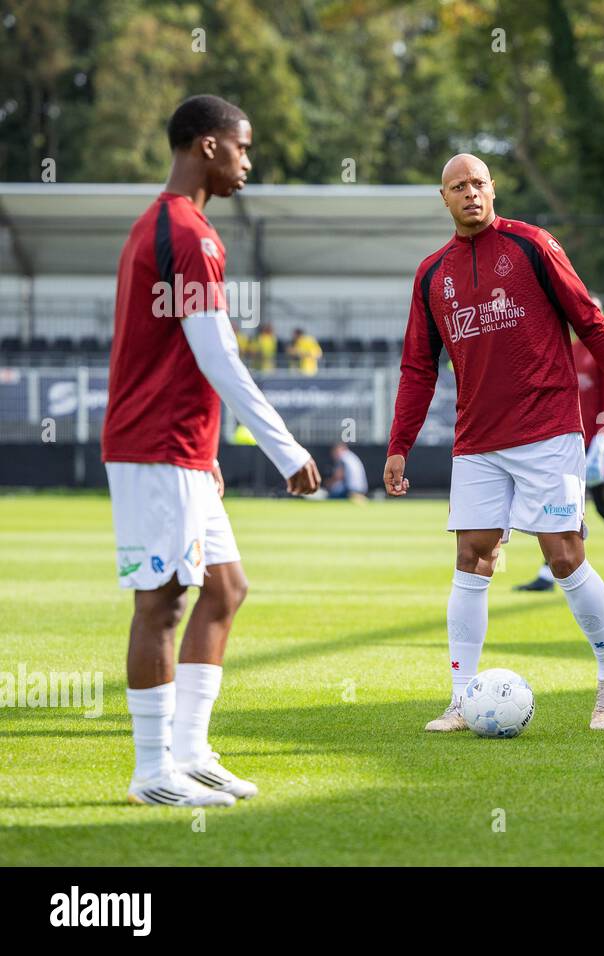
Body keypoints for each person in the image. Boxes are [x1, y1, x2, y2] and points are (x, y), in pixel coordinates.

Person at [101, 94, 321, 807]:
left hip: (184, 448)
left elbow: (182, 356)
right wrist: (285, 449)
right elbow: (217, 354)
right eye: (242, 147)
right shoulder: (187, 234)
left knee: (225, 588)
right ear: (205, 147)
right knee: (161, 603)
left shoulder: (164, 227)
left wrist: (210, 446)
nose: (247, 161)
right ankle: (150, 772)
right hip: (156, 446)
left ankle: (190, 753)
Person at [384, 153, 604, 733]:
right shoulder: (433, 275)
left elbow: (590, 320)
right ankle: (460, 698)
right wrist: (399, 443)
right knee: (471, 558)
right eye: (458, 187)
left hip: (548, 430)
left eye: (478, 183)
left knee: (562, 555)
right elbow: (417, 367)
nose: (470, 194)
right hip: (476, 441)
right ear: (445, 199)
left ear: (493, 188)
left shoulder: (532, 245)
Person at [515, 298, 604, 594]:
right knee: (562, 507)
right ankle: (548, 573)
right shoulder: (570, 350)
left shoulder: (601, 348)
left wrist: (602, 438)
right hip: (572, 439)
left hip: (599, 443)